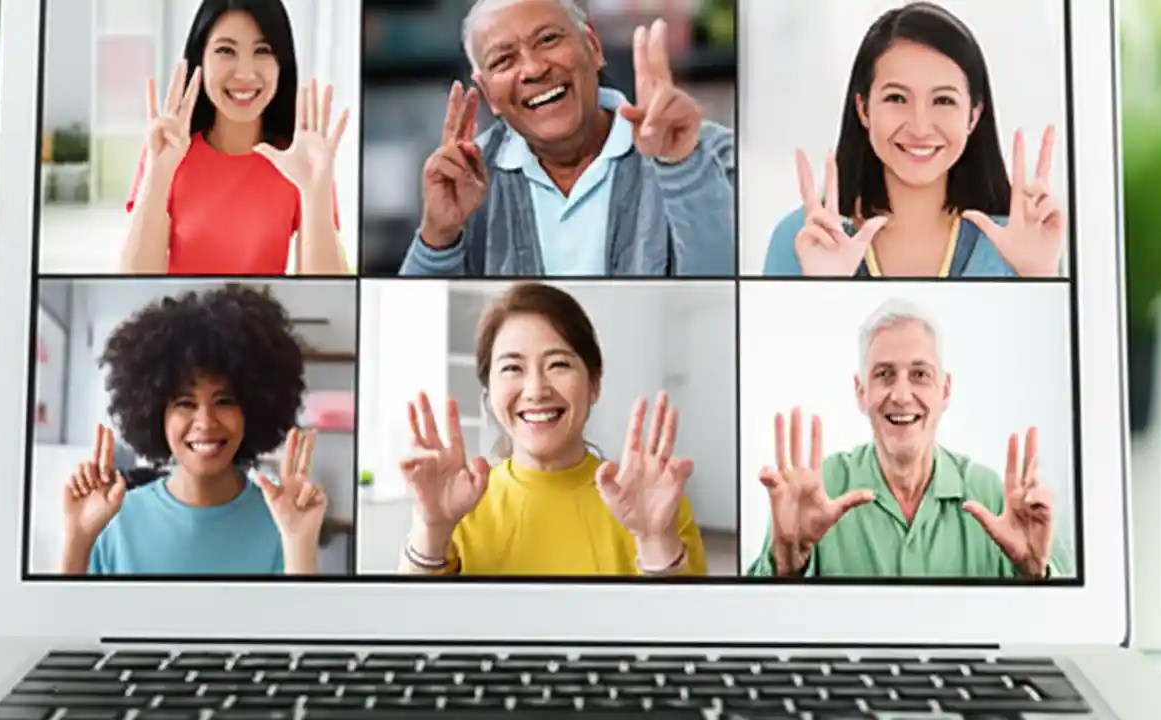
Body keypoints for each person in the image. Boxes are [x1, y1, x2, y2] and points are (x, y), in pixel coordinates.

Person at [398, 0, 735, 277]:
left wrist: (682, 168)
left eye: (548, 40)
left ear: (594, 48)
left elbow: (726, 299)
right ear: (487, 93)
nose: (534, 69)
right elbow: (411, 324)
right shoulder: (463, 177)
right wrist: (438, 237)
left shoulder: (706, 151)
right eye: (503, 60)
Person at [746, 298, 1074, 578]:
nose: (901, 395)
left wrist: (1037, 574)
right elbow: (755, 617)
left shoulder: (994, 495)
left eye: (919, 374)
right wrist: (785, 562)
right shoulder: (818, 489)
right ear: (861, 392)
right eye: (884, 375)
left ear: (945, 390)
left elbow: (1066, 616)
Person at [397, 282, 708, 575]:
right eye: (512, 368)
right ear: (489, 392)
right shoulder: (458, 506)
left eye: (558, 364)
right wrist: (432, 528)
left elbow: (689, 615)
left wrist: (655, 540)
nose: (536, 390)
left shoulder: (656, 504)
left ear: (594, 383)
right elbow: (414, 612)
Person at [762, 1, 1065, 278]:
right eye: (896, 98)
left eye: (943, 101)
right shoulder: (804, 238)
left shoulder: (1020, 243)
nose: (920, 127)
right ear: (863, 108)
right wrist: (822, 290)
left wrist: (1039, 275)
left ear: (973, 115)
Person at [60, 285, 328, 575]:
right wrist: (78, 538)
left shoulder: (282, 521)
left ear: (252, 410)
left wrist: (299, 542)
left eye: (224, 401)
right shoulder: (113, 520)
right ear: (155, 413)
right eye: (185, 403)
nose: (205, 422)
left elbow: (298, 607)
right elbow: (66, 607)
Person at [122, 0, 351, 276]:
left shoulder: (299, 162)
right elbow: (135, 281)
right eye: (225, 50)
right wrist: (158, 175)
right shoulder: (166, 150)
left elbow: (324, 291)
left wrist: (316, 196)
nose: (245, 73)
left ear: (281, 64)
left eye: (263, 50)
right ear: (200, 59)